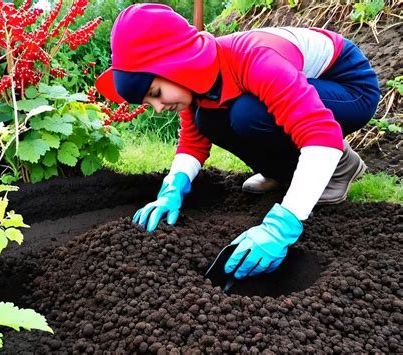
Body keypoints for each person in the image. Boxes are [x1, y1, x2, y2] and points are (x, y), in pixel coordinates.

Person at [95, 4, 380, 279]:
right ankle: (281, 174)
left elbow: (318, 131)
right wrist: (171, 190)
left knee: (249, 113)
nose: (158, 107)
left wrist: (282, 226)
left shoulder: (254, 59)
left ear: (177, 66)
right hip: (309, 91)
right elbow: (193, 144)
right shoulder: (195, 88)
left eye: (156, 93)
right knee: (207, 121)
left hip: (350, 88)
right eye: (148, 102)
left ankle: (342, 165)